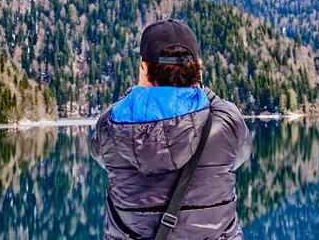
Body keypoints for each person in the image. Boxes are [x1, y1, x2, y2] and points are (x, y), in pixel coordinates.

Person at [91, 18, 253, 240]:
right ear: (198, 68)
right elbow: (241, 155)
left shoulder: (110, 127)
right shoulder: (226, 122)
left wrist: (136, 95)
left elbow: (101, 155)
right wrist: (204, 94)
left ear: (144, 68)